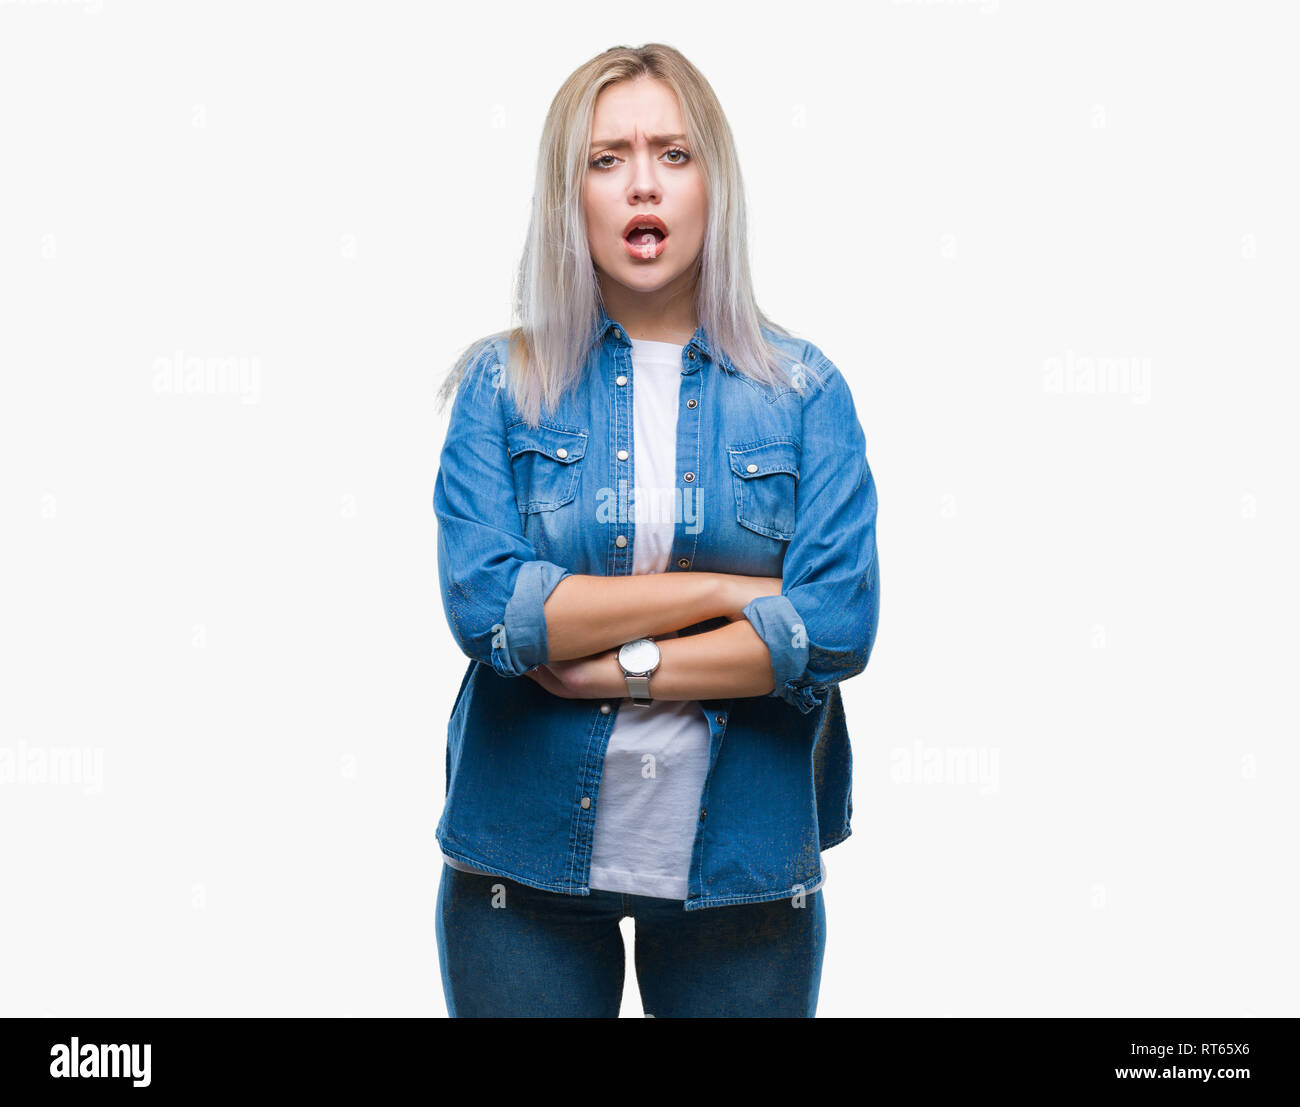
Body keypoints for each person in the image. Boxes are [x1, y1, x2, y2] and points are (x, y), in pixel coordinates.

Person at [431, 43, 880, 1018]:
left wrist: (614, 665)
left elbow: (837, 626)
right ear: (569, 195)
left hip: (743, 876)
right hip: (522, 875)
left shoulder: (805, 391)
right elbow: (493, 610)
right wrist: (724, 593)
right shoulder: (501, 385)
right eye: (607, 159)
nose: (643, 183)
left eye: (674, 154)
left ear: (715, 183)